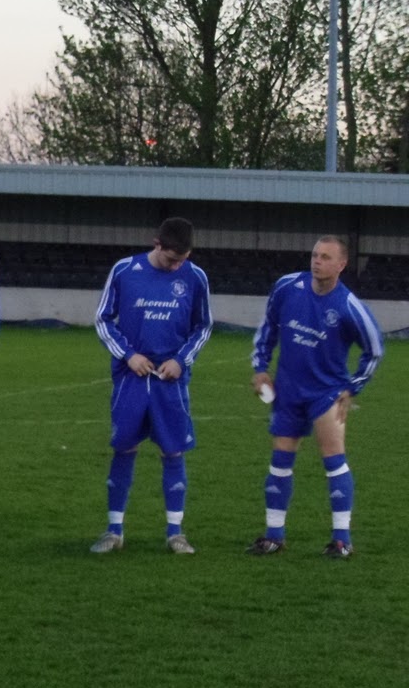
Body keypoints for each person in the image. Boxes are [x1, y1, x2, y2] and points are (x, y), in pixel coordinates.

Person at [247, 235, 385, 558]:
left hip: (326, 393)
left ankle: (341, 540)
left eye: (325, 257)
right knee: (280, 460)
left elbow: (374, 350)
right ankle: (274, 536)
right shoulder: (287, 287)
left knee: (334, 461)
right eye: (314, 255)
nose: (317, 261)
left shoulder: (349, 306)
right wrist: (260, 367)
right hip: (288, 390)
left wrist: (353, 387)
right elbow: (268, 326)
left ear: (342, 264)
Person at [90, 217, 213, 555]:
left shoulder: (194, 277)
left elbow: (203, 327)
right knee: (124, 447)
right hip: (131, 376)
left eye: (183, 259)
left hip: (170, 379)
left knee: (172, 450)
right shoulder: (125, 270)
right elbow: (103, 319)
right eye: (172, 259)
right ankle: (114, 531)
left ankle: (176, 533)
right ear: (156, 243)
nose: (177, 265)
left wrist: (182, 359)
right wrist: (128, 355)